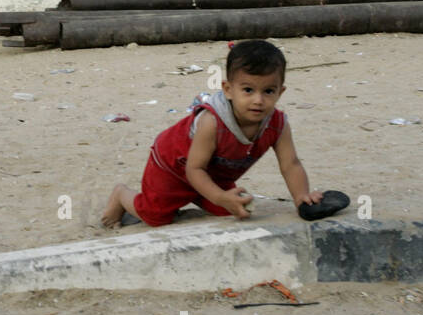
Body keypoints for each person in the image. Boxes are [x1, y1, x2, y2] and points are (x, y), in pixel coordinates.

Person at [102, 39, 325, 227]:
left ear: (280, 91)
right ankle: (122, 195)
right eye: (248, 90)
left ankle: (199, 195)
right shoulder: (212, 122)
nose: (258, 100)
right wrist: (219, 196)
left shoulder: (278, 124)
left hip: (213, 172)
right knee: (155, 215)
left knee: (233, 209)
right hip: (174, 165)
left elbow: (291, 164)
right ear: (228, 89)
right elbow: (194, 168)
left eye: (268, 91)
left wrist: (301, 197)